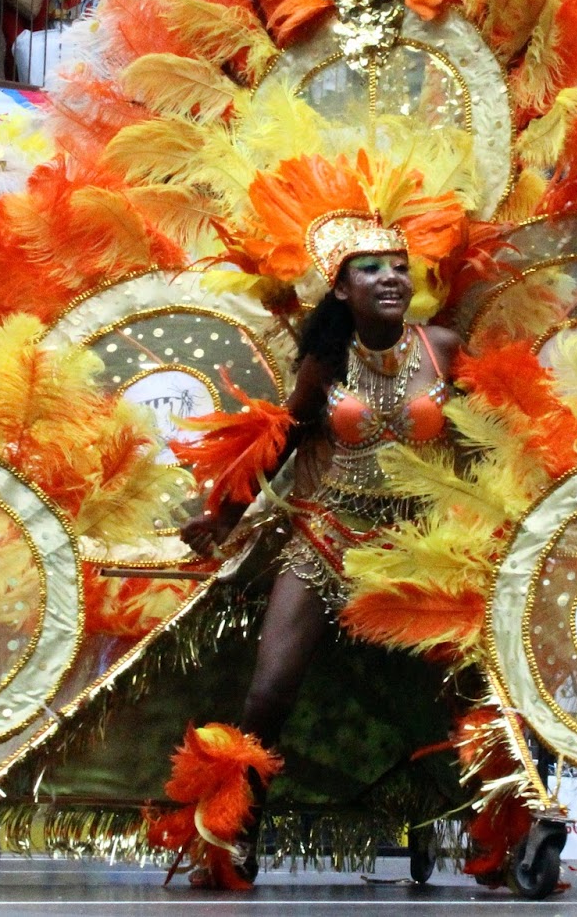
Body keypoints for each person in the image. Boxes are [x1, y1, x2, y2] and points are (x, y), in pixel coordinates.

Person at [178, 230, 461, 883]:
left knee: (458, 697)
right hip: (324, 538)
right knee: (271, 691)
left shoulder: (442, 349)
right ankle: (234, 836)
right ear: (342, 287)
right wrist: (223, 518)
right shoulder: (326, 364)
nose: (391, 278)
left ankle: (504, 834)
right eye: (372, 270)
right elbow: (278, 443)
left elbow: (483, 442)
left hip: (417, 551)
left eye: (400, 267)